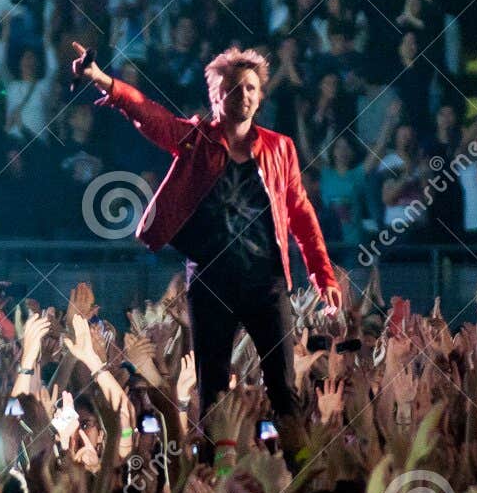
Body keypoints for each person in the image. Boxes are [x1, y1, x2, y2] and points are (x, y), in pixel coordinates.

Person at [70, 41, 339, 463]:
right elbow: (151, 116)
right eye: (233, 89)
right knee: (212, 386)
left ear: (260, 95)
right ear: (216, 97)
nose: (243, 96)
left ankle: (303, 479)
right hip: (212, 284)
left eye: (251, 88)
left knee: (284, 388)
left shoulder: (279, 147)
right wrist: (104, 80)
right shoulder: (196, 140)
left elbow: (300, 213)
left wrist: (323, 277)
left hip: (266, 285)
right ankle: (214, 476)